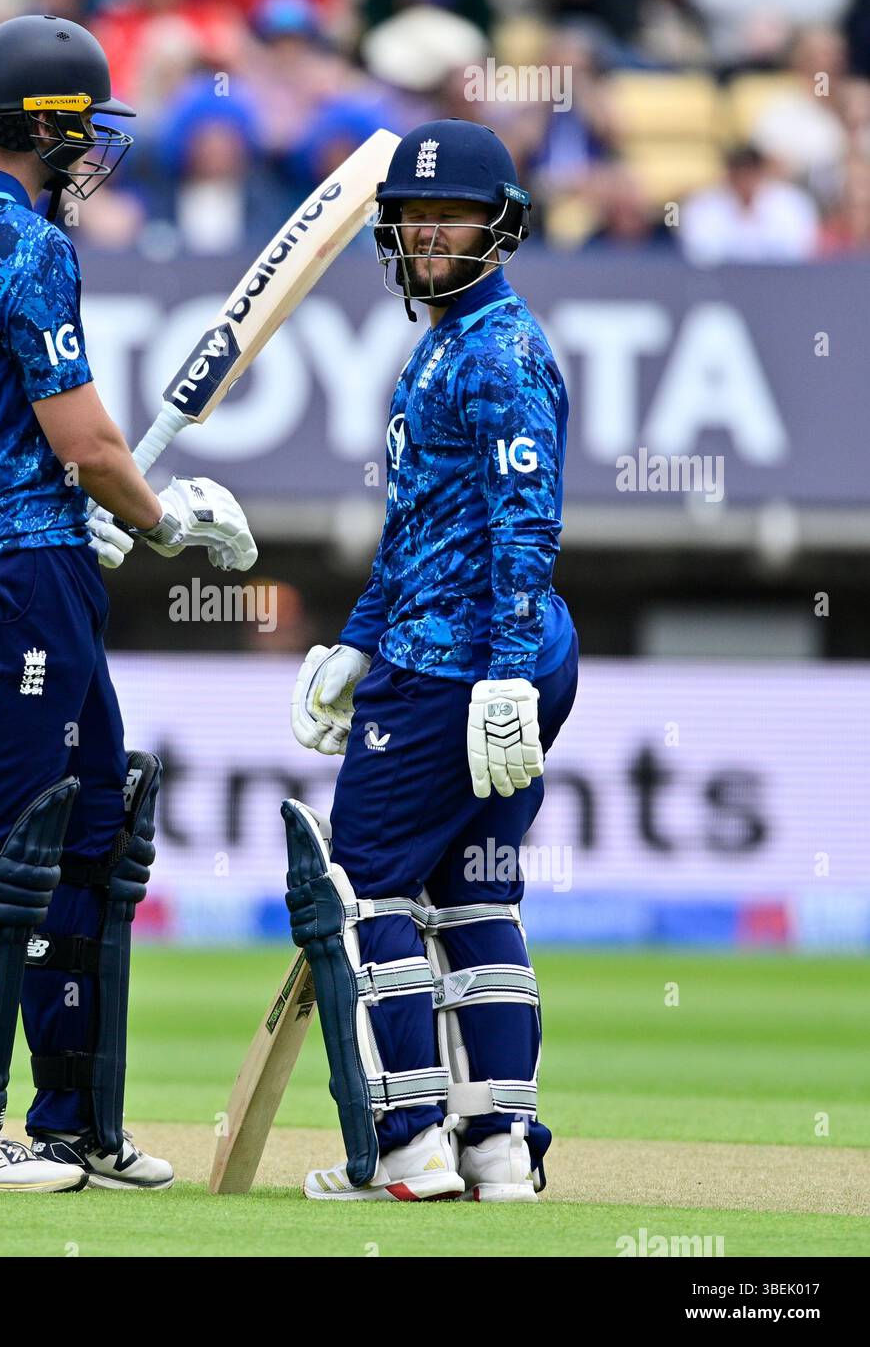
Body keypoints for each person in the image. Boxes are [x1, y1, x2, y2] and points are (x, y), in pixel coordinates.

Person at [0, 14, 257, 1193]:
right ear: (40, 125)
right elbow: (85, 435)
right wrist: (160, 514)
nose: (93, 147)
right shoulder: (27, 246)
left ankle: (73, 1120)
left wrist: (67, 494)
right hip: (9, 575)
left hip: (0, 558)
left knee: (93, 829)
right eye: (82, 125)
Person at [286, 120, 578, 1201]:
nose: (426, 237)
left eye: (449, 216)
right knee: (474, 893)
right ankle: (499, 1150)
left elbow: (523, 523)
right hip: (448, 652)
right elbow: (419, 527)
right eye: (410, 220)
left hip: (464, 665)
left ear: (498, 225)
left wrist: (500, 671)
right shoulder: (445, 343)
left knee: (365, 889)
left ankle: (407, 1147)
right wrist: (356, 639)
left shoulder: (496, 347)